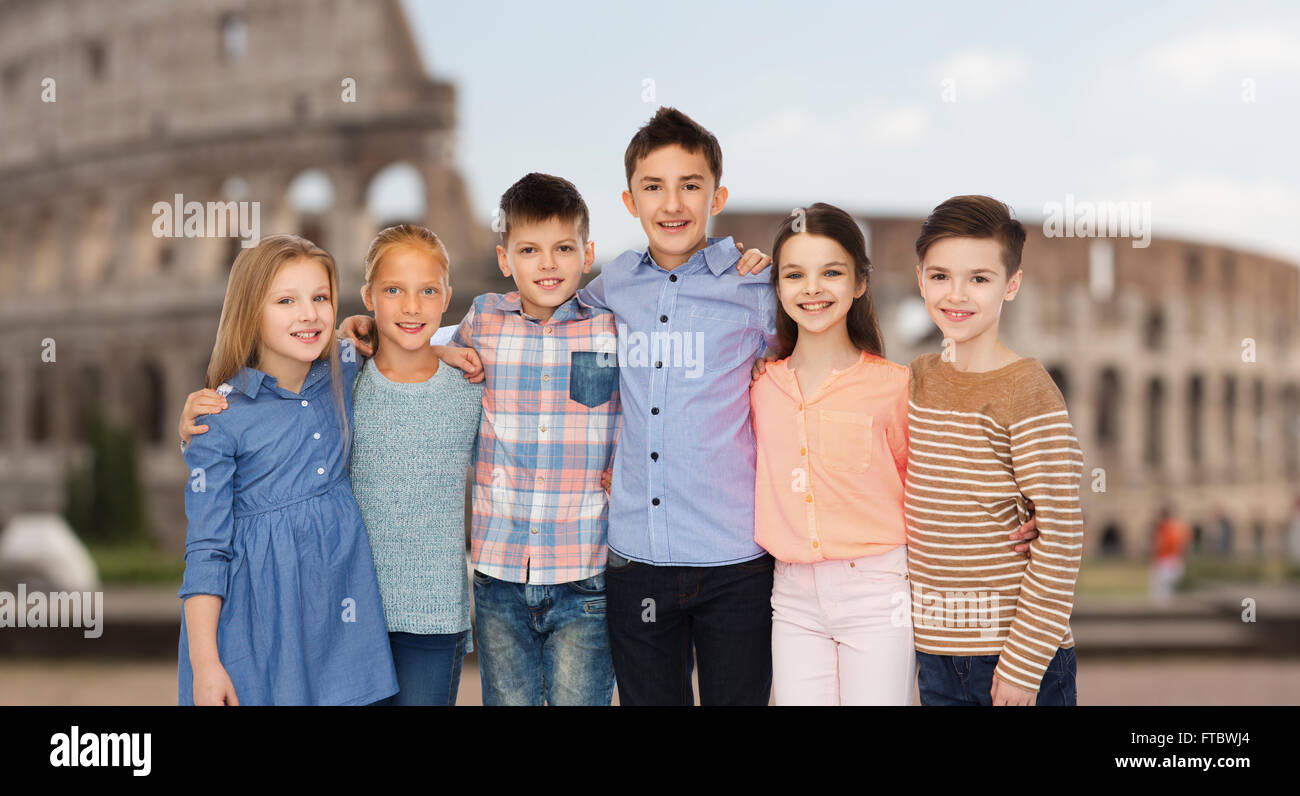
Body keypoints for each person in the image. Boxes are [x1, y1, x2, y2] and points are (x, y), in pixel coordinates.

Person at [341, 174, 621, 705]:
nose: (547, 264)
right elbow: (416, 338)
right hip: (499, 577)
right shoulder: (485, 321)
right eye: (529, 250)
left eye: (564, 249)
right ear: (504, 258)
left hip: (585, 572)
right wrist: (368, 328)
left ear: (587, 254)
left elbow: (652, 404)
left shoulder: (610, 329)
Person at [576, 107, 779, 705]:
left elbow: (814, 365)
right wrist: (410, 336)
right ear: (629, 198)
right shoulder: (613, 284)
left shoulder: (754, 289)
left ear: (717, 195)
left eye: (690, 185)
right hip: (638, 555)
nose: (673, 203)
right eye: (653, 187)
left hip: (735, 561)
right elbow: (542, 319)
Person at [176, 233, 397, 705]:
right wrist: (205, 665)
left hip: (339, 617)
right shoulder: (218, 417)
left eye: (320, 297)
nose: (309, 313)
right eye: (285, 300)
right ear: (249, 312)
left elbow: (408, 334)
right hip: (256, 633)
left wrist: (447, 352)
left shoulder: (344, 367)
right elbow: (205, 553)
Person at [905, 195, 1084, 706]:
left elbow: (1062, 538)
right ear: (920, 280)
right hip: (936, 654)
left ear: (1011, 285)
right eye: (940, 276)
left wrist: (1024, 666)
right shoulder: (916, 379)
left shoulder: (1027, 390)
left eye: (979, 279)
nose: (956, 294)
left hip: (1014, 654)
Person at [750, 203, 915, 704]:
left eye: (832, 272)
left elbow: (926, 488)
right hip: (792, 596)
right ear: (777, 286)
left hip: (876, 590)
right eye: (794, 274)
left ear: (859, 282)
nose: (812, 288)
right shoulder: (760, 385)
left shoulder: (894, 387)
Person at [1150, 506, 1191, 604]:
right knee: (1167, 592)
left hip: (1167, 561)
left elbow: (1161, 547)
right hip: (1172, 561)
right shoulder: (1176, 528)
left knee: (1162, 593)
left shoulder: (1166, 529)